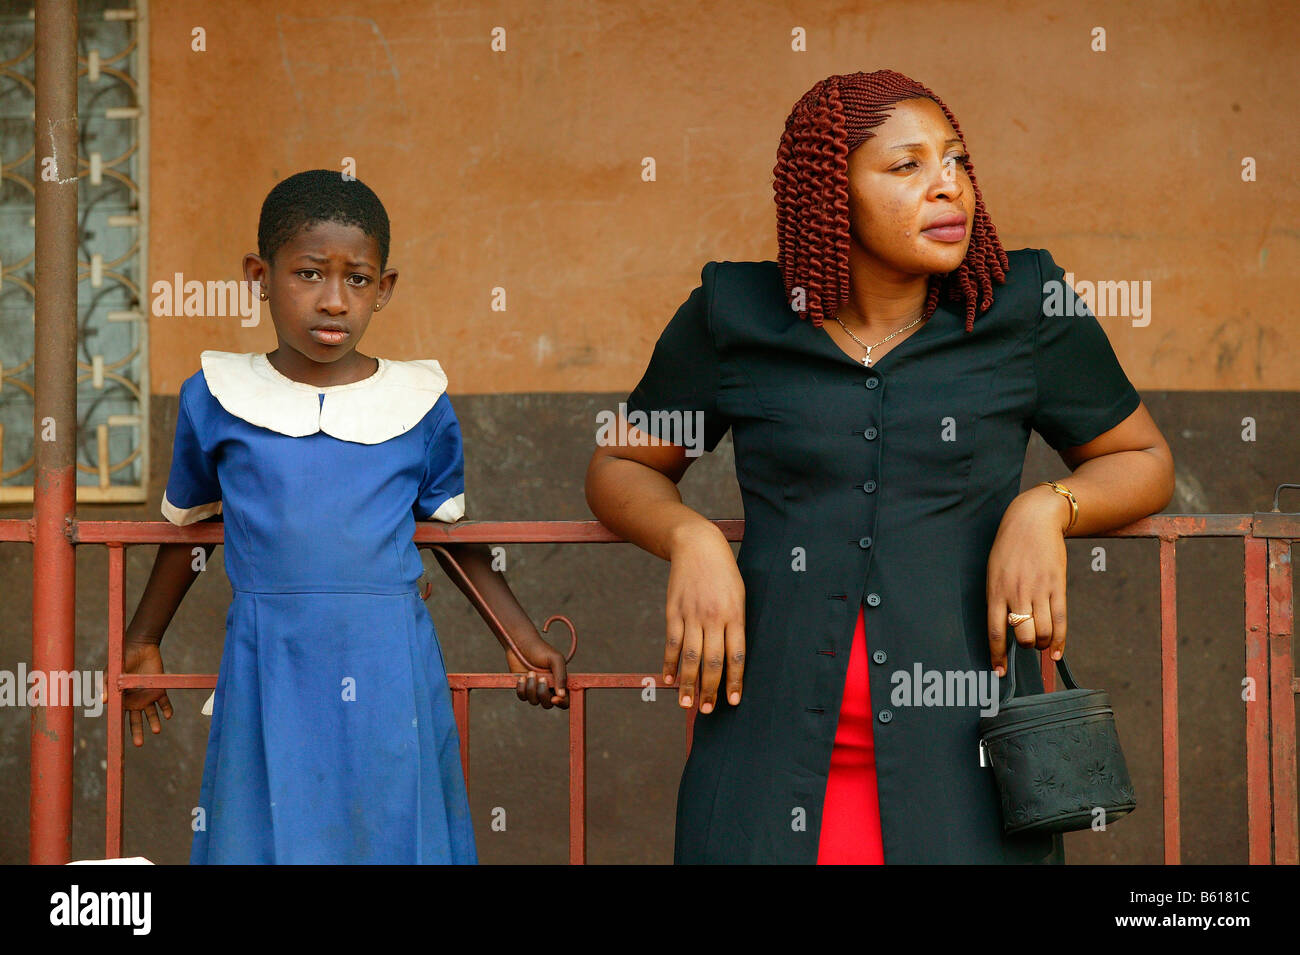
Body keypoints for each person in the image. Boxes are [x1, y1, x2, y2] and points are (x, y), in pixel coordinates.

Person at [585, 70, 1176, 864]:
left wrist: (1049, 507)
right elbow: (622, 463)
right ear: (832, 193)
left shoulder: (1022, 306)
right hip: (767, 754)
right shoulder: (738, 316)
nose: (949, 187)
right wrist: (689, 537)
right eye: (909, 166)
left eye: (957, 161)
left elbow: (1141, 456)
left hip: (965, 764)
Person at [120, 169, 570, 864]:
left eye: (357, 279)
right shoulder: (215, 397)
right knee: (265, 830)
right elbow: (191, 531)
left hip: (390, 658)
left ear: (383, 288)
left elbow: (450, 538)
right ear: (260, 275)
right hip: (271, 655)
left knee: (392, 823)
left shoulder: (419, 403)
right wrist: (143, 638)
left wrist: (519, 636)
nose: (333, 301)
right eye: (307, 273)